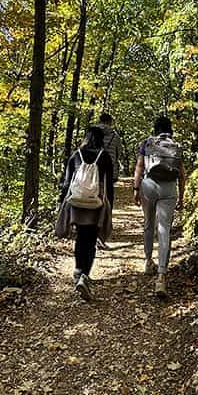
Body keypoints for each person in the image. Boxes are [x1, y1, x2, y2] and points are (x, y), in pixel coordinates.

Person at [56, 126, 113, 301]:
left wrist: (61, 202)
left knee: (81, 237)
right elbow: (109, 184)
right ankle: (84, 276)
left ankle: (78, 270)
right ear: (101, 139)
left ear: (86, 137)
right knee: (91, 239)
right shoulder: (104, 156)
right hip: (96, 202)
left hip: (77, 203)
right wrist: (109, 204)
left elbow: (66, 183)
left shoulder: (76, 155)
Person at [134, 116, 185, 298]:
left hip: (149, 185)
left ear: (155, 129)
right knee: (164, 230)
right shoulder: (176, 145)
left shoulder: (147, 143)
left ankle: (148, 261)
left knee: (148, 224)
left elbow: (140, 166)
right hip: (169, 188)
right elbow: (182, 174)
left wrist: (136, 187)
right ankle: (161, 276)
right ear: (170, 129)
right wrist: (182, 197)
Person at [95, 112, 123, 248]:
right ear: (110, 122)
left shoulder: (91, 134)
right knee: (107, 202)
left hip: (91, 172)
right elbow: (118, 155)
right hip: (109, 173)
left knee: (91, 201)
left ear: (99, 120)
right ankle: (101, 235)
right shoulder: (115, 136)